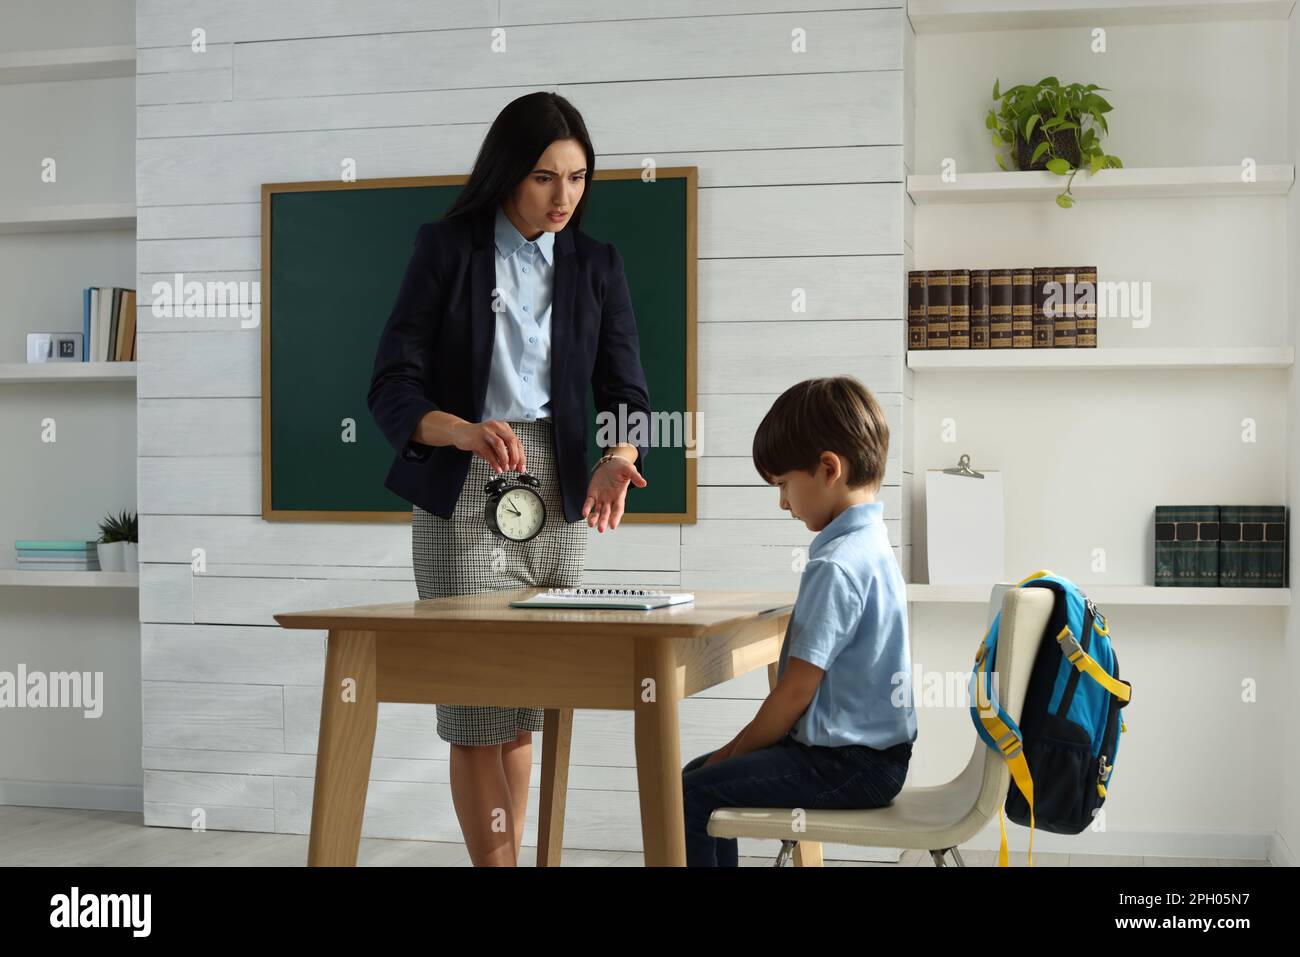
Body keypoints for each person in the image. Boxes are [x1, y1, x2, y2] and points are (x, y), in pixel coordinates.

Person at [367, 91, 651, 866]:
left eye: (578, 177)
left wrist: (618, 459)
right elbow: (391, 383)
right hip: (463, 480)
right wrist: (462, 428)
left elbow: (629, 392)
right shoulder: (447, 248)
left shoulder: (597, 265)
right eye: (543, 178)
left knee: (524, 707)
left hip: (557, 488)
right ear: (506, 175)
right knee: (473, 707)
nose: (564, 197)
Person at [681, 375, 917, 866]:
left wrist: (732, 753)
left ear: (828, 469)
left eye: (785, 484)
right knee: (699, 778)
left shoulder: (835, 564)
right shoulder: (871, 545)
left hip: (846, 766)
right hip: (875, 760)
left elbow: (793, 693)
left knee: (695, 791)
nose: (783, 502)